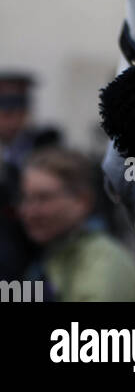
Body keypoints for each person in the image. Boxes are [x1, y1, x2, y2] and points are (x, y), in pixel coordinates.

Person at [18, 147, 135, 302]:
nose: (29, 211)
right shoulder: (50, 257)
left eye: (44, 198)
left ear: (82, 201)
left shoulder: (105, 264)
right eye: (26, 198)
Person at [0, 72, 61, 280]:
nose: (11, 119)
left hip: (41, 249)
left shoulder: (46, 145)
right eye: (5, 111)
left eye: (18, 110)